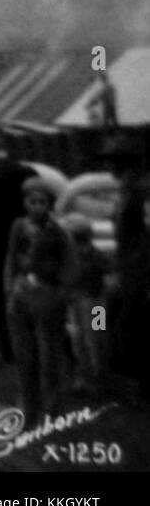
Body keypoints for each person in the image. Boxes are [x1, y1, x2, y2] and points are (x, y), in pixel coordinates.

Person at [5, 177, 75, 423]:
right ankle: (28, 404)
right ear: (25, 204)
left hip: (47, 293)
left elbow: (68, 264)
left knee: (49, 356)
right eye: (32, 202)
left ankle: (53, 408)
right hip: (21, 291)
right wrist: (10, 288)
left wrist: (61, 294)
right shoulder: (18, 227)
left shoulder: (58, 232)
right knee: (24, 354)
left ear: (50, 205)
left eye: (42, 202)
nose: (37, 207)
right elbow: (12, 258)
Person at [0, 137, 36, 363]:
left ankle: (5, 350)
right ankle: (29, 346)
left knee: (0, 295)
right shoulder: (27, 171)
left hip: (0, 238)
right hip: (27, 239)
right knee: (26, 291)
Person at [103, 134, 150, 397]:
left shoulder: (141, 190)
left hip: (139, 272)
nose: (108, 168)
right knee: (122, 324)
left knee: (137, 326)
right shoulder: (128, 189)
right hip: (127, 269)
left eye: (112, 162)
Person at [62, 213, 108, 395]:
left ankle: (97, 379)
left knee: (96, 340)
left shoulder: (93, 255)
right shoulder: (76, 256)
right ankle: (86, 377)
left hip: (95, 303)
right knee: (80, 340)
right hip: (82, 301)